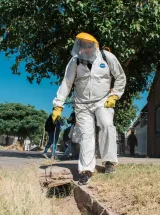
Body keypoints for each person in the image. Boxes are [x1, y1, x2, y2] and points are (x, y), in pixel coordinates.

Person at [51, 32, 126, 185]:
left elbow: (120, 76)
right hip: (82, 103)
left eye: (88, 47)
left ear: (94, 47)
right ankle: (86, 170)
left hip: (103, 101)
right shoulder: (75, 61)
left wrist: (115, 95)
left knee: (106, 125)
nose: (85, 50)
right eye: (82, 47)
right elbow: (67, 82)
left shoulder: (106, 57)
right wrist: (58, 105)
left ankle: (109, 162)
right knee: (86, 135)